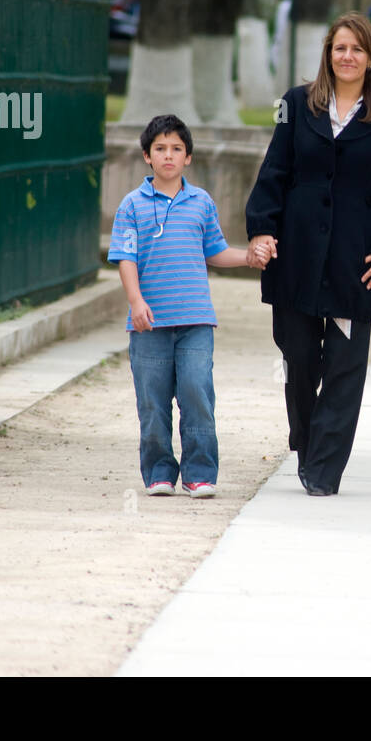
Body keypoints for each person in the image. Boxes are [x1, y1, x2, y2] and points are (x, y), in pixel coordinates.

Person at [245, 12, 371, 496]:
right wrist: (261, 231)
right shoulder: (294, 105)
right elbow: (274, 170)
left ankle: (322, 470)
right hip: (295, 254)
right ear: (328, 53)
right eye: (340, 48)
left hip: (355, 263)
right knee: (298, 357)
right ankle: (306, 440)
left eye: (357, 49)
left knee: (344, 366)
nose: (347, 56)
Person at [108, 115, 268, 498]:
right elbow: (125, 257)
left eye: (176, 149)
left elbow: (214, 251)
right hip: (149, 325)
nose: (168, 156)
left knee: (197, 393)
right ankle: (159, 472)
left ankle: (200, 473)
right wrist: (136, 301)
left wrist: (248, 257)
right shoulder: (131, 206)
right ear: (147, 156)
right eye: (160, 149)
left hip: (195, 321)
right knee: (153, 401)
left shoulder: (201, 203)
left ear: (188, 157)